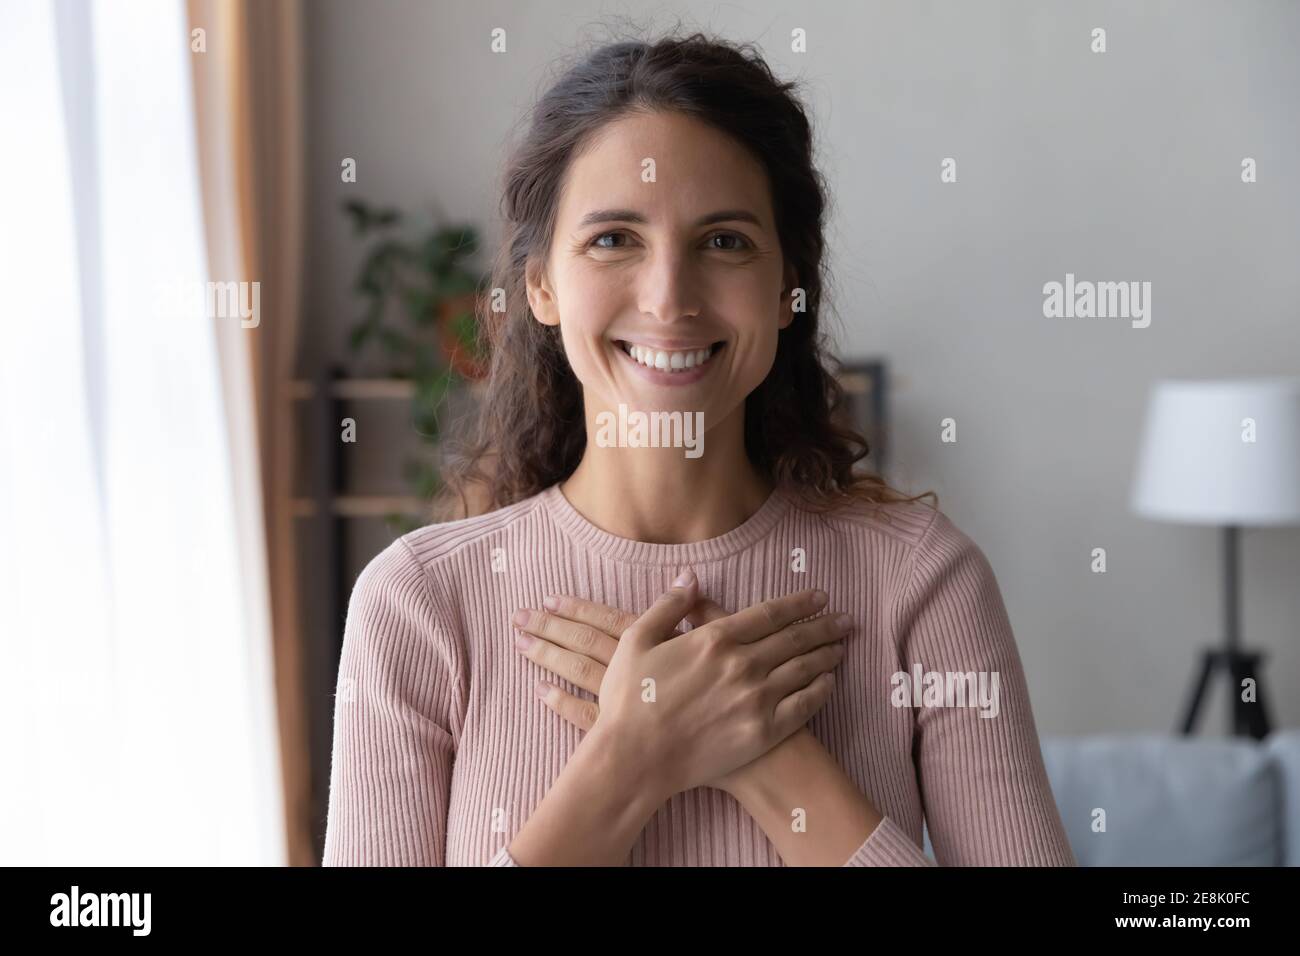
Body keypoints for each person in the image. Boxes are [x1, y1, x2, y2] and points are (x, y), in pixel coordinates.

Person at [322, 31, 1075, 867]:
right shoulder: (418, 605)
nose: (669, 297)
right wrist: (630, 758)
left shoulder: (924, 585)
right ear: (540, 284)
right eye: (613, 239)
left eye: (724, 241)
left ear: (792, 287)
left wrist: (772, 758)